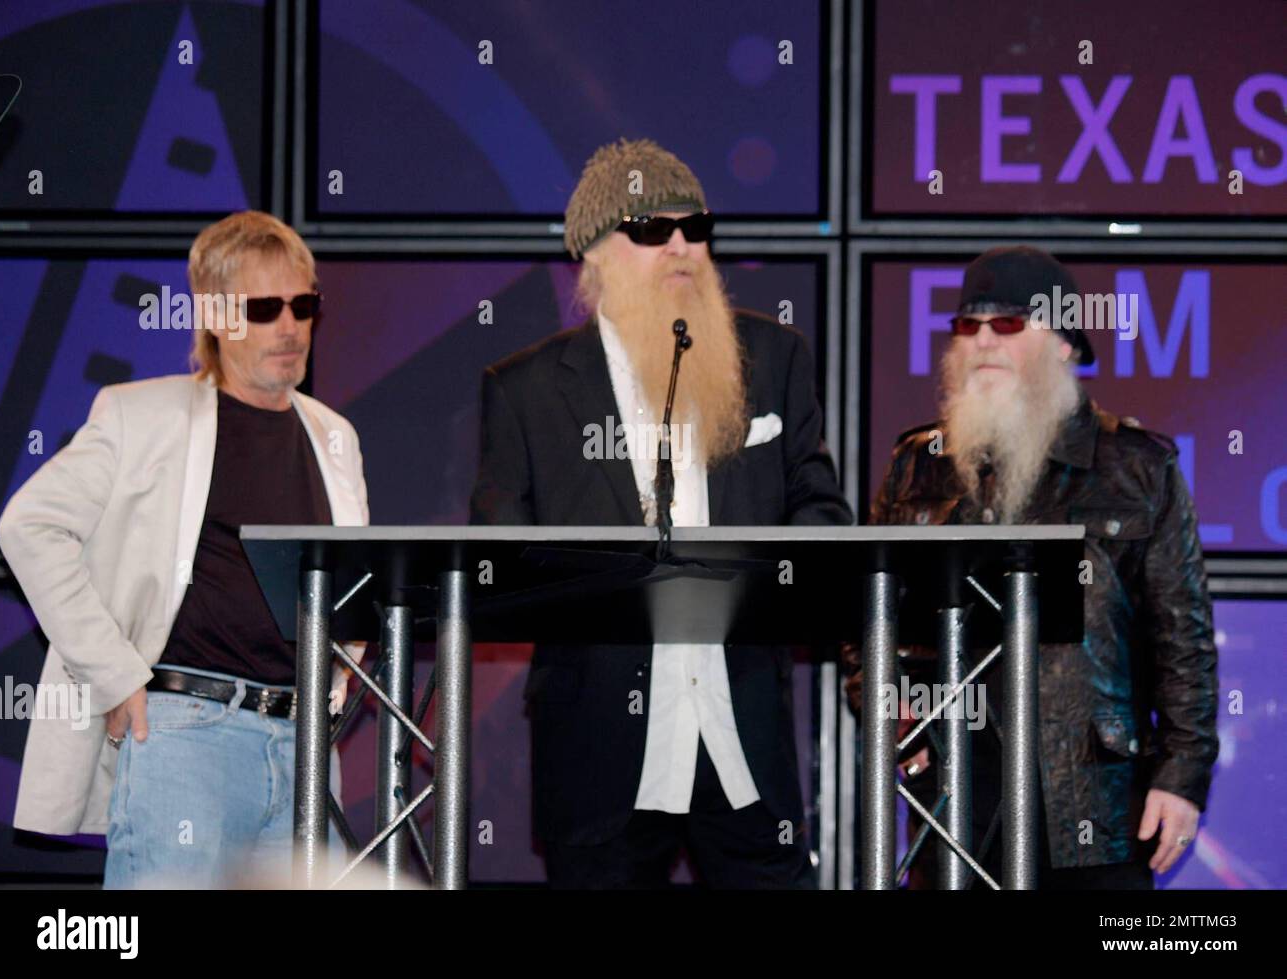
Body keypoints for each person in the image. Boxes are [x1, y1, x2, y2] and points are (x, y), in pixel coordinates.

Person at [470, 138, 852, 887]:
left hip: (741, 730)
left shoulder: (772, 357)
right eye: (651, 229)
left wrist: (752, 583)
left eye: (695, 227)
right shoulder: (526, 389)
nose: (681, 246)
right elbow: (500, 562)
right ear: (594, 253)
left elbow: (821, 513)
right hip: (598, 741)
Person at [0, 210, 369, 888]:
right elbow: (29, 526)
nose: (291, 326)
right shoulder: (142, 415)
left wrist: (342, 672)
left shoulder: (334, 436)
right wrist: (117, 674)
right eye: (264, 308)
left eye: (304, 304)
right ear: (216, 316)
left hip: (306, 747)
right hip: (187, 734)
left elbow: (349, 586)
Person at [849, 245, 1218, 888]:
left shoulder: (1138, 467)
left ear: (1064, 343)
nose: (984, 340)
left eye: (1009, 323)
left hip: (1092, 796)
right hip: (955, 796)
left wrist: (1182, 777)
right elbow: (866, 619)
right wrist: (899, 722)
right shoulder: (916, 464)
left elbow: (1182, 639)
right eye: (968, 325)